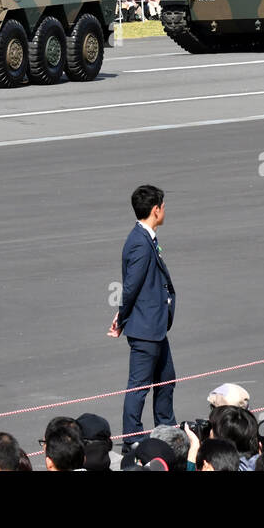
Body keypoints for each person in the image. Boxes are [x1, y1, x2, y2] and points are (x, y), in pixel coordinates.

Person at [108, 185, 177, 454]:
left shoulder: (146, 237)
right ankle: (132, 439)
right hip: (146, 329)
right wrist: (121, 318)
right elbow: (131, 287)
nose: (164, 210)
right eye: (163, 206)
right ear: (155, 209)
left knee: (166, 379)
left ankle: (166, 430)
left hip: (155, 327)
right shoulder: (139, 242)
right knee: (139, 387)